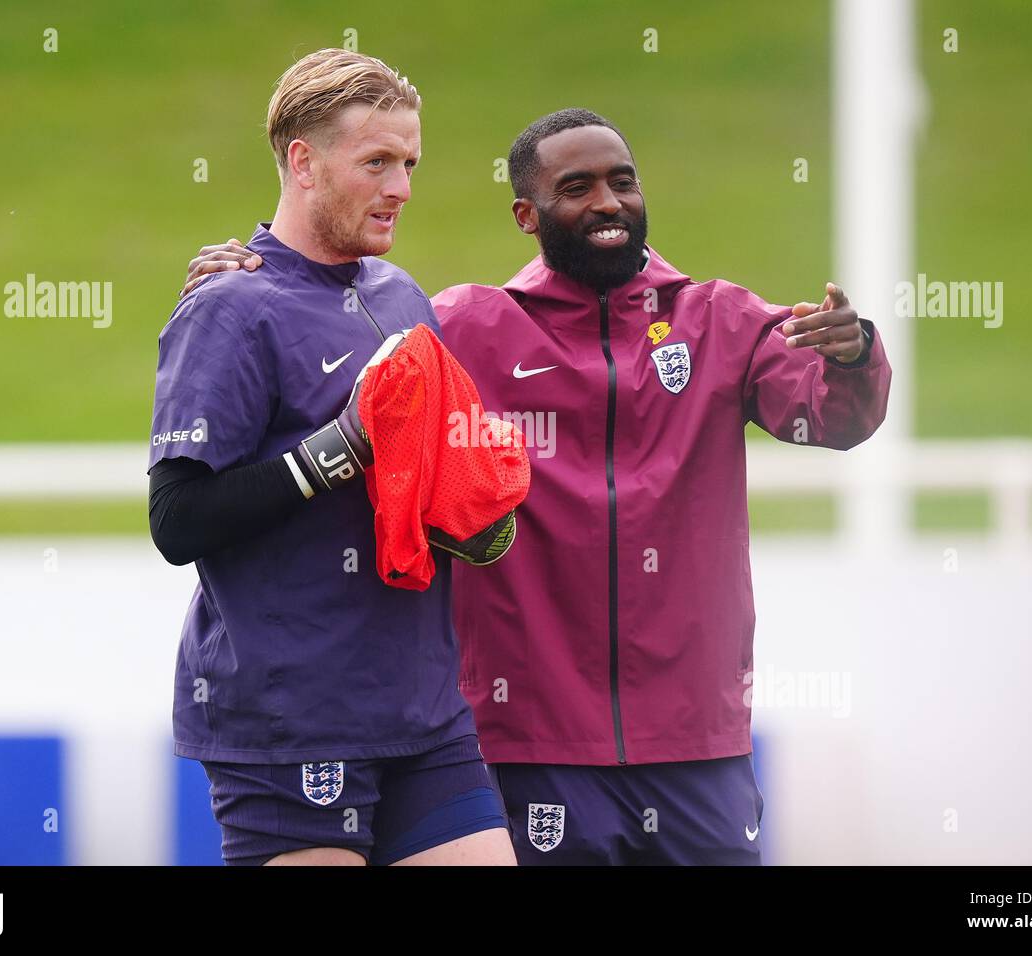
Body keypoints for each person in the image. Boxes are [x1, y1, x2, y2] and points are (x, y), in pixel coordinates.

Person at [182, 107, 892, 864]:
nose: (607, 202)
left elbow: (832, 416)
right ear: (528, 214)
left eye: (622, 182)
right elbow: (336, 363)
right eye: (577, 187)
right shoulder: (467, 326)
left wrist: (854, 357)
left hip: (694, 741)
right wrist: (246, 283)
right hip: (527, 742)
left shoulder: (719, 318)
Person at [148, 48, 515, 866]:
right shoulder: (229, 309)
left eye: (410, 163)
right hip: (290, 723)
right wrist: (340, 449)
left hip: (423, 711)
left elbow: (434, 482)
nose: (402, 188)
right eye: (377, 162)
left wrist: (477, 504)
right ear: (303, 162)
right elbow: (177, 522)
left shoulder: (401, 296)